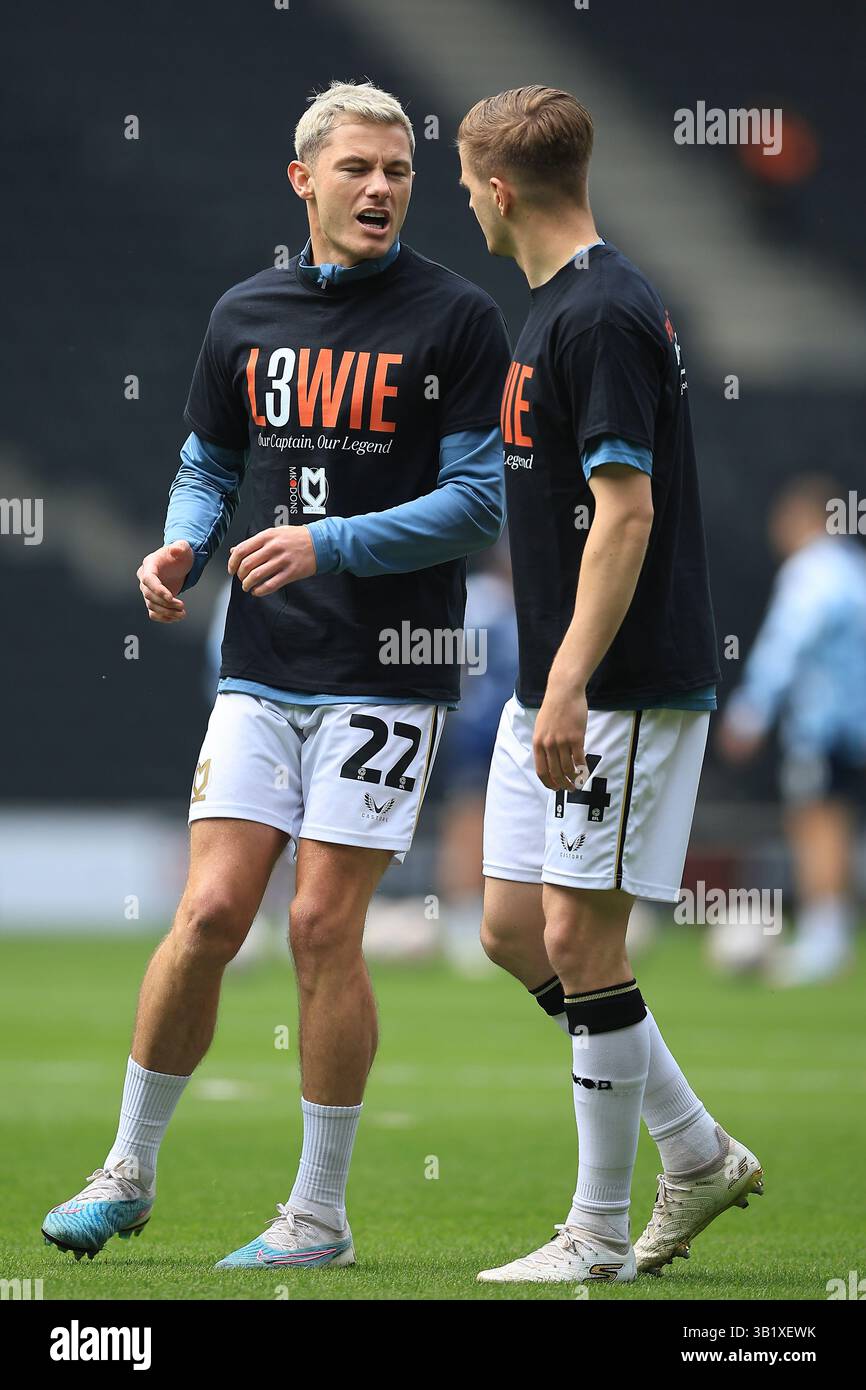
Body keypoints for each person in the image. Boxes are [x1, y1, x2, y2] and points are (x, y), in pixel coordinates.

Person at [42, 80, 511, 1270]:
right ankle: (127, 1171)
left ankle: (317, 1217)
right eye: (355, 168)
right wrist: (183, 543)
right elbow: (208, 457)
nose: (379, 189)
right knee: (206, 912)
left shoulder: (454, 317)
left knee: (317, 924)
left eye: (399, 172)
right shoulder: (243, 311)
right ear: (301, 180)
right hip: (260, 660)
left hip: (385, 668)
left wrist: (327, 543)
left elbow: (476, 502)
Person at [457, 85, 763, 1283]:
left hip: (617, 683)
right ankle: (694, 1150)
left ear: (495, 190)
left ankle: (594, 1233)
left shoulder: (599, 317)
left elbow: (623, 513)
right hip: (560, 677)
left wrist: (573, 679)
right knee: (509, 929)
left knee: (583, 938)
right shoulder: (555, 308)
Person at [719, 474, 866, 986]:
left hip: (824, 725)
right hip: (857, 724)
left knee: (816, 819)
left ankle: (824, 941)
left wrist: (750, 712)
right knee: (840, 822)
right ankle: (835, 934)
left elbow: (787, 643)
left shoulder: (810, 572)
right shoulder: (854, 569)